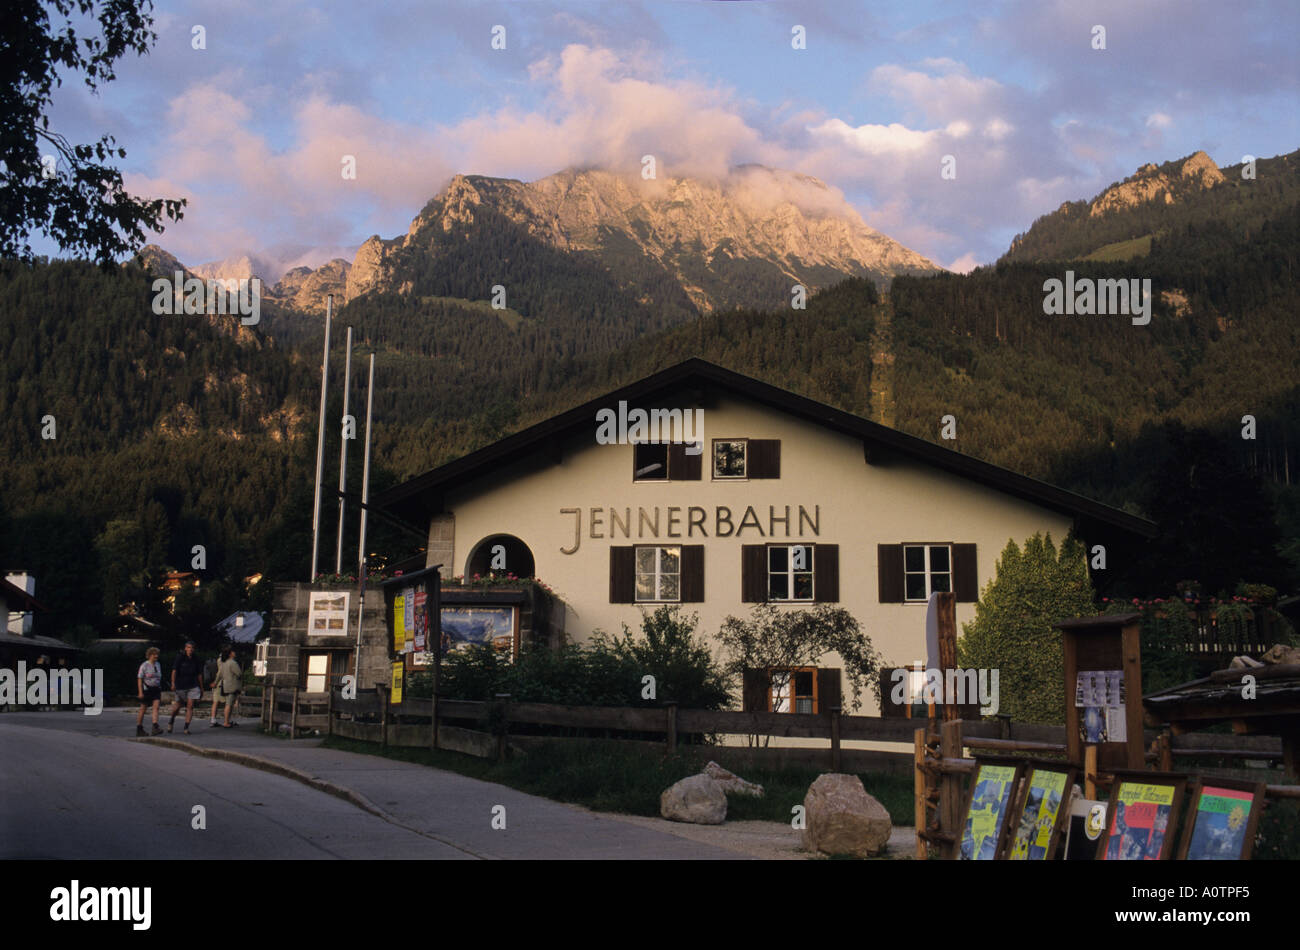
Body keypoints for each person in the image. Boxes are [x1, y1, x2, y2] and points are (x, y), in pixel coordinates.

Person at [168, 640, 204, 735]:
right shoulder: (180, 657)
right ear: (185, 648)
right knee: (177, 706)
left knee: (190, 705)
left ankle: (186, 727)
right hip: (181, 684)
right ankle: (171, 720)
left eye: (192, 648)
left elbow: (199, 674)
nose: (190, 650)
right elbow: (174, 671)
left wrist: (201, 687)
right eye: (188, 647)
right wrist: (173, 683)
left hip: (193, 684)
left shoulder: (196, 659)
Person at [136, 647, 163, 736]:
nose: (156, 656)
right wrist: (140, 692)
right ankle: (139, 728)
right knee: (143, 708)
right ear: (150, 655)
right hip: (147, 689)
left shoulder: (158, 664)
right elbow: (139, 679)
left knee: (156, 707)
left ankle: (155, 726)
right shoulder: (144, 665)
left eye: (157, 654)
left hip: (156, 688)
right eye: (154, 654)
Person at [217, 647, 243, 728]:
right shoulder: (233, 663)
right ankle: (226, 722)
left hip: (226, 685)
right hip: (233, 685)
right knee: (229, 704)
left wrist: (215, 682)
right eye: (233, 652)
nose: (234, 653)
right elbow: (239, 673)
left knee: (229, 703)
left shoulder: (224, 663)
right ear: (230, 654)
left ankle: (227, 720)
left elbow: (220, 674)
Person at [204, 651, 222, 727]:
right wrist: (215, 682)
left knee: (216, 701)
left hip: (215, 683)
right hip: (220, 683)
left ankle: (213, 719)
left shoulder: (215, 661)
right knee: (226, 702)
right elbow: (220, 673)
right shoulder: (221, 661)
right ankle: (227, 720)